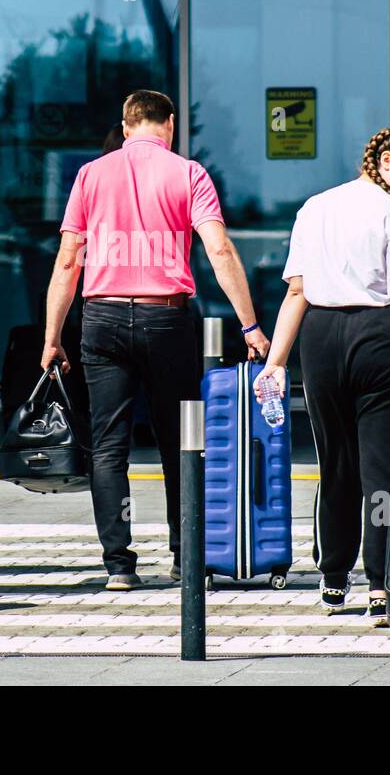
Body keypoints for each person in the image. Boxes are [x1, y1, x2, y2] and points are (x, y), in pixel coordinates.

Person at [42, 89, 270, 590]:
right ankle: (183, 555)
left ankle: (119, 565)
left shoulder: (90, 175)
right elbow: (220, 250)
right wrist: (250, 325)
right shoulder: (189, 173)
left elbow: (67, 261)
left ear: (125, 127)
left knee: (108, 446)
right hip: (166, 319)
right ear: (169, 124)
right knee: (179, 440)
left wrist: (51, 336)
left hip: (100, 317)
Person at [255, 124, 390, 624]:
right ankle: (381, 581)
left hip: (320, 339)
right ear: (386, 161)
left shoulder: (315, 207)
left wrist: (275, 362)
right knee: (385, 468)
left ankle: (332, 577)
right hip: (382, 339)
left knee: (335, 462)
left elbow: (297, 293)